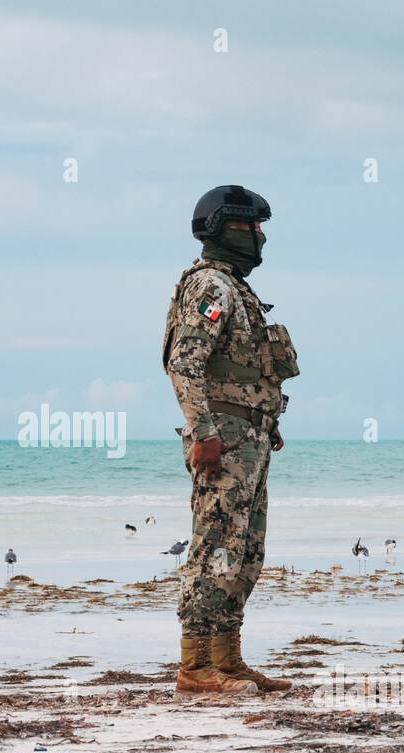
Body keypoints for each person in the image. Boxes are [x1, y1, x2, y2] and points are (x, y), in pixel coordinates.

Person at [162, 185, 300, 698]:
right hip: (224, 437)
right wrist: (204, 432)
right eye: (251, 227)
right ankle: (195, 666)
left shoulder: (237, 290)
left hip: (249, 437)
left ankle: (227, 658)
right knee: (216, 547)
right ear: (224, 229)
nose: (260, 237)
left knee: (244, 551)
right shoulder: (212, 287)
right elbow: (184, 363)